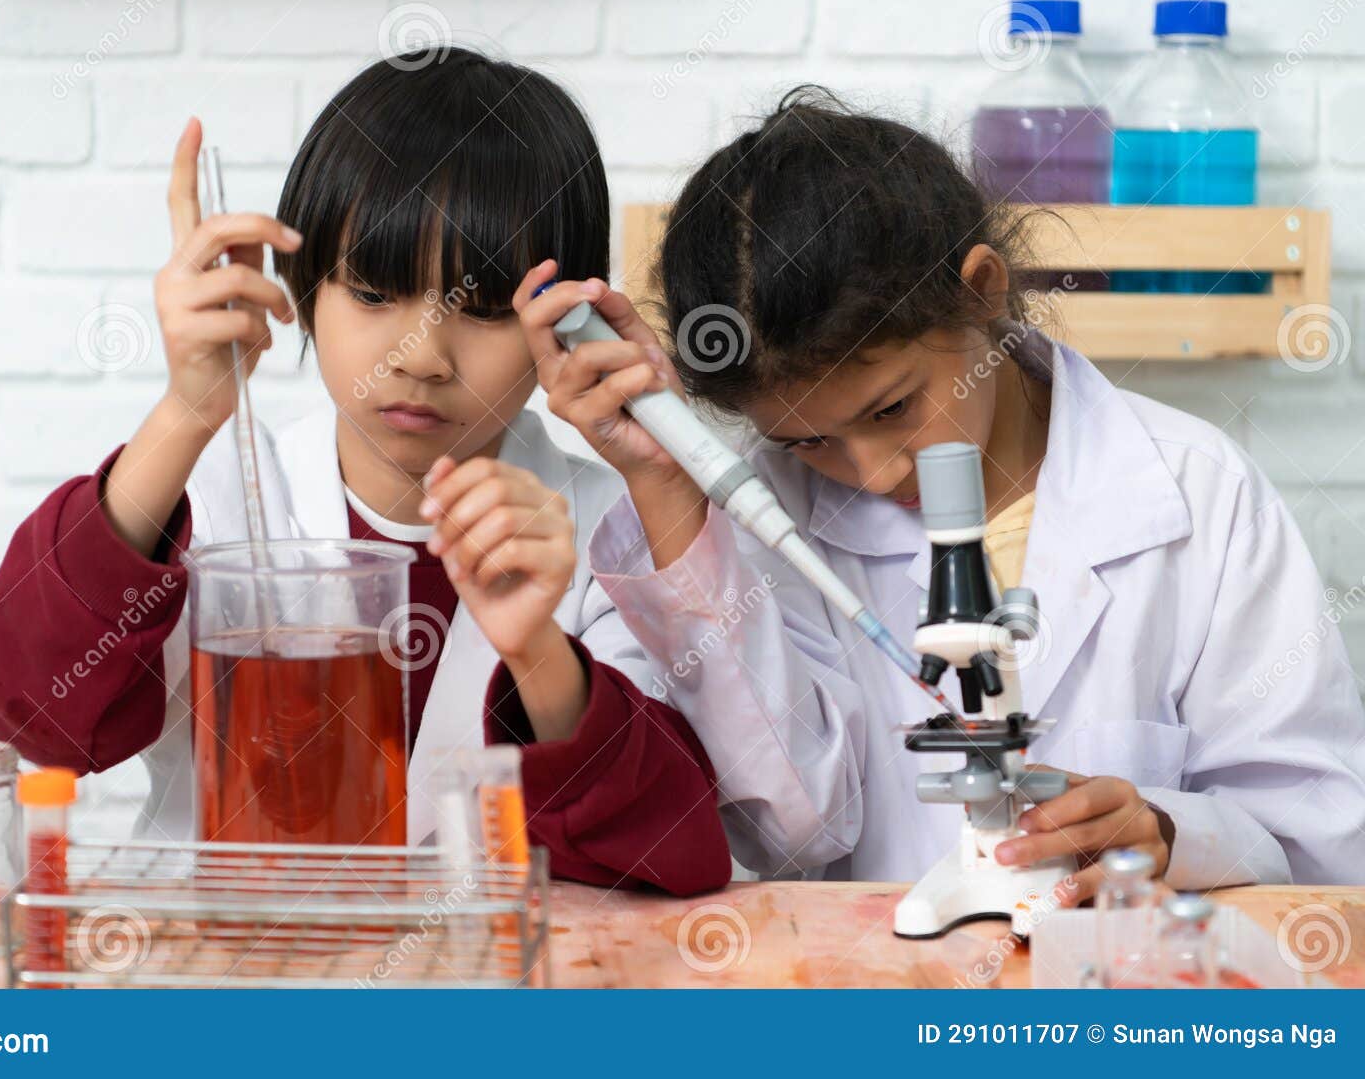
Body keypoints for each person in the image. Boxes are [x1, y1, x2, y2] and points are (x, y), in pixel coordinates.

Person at [522, 86, 1365, 899]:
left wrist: (1170, 834)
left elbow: (1320, 839)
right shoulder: (770, 513)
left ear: (983, 291)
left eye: (893, 407)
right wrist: (667, 482)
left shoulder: (1200, 498)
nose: (878, 471)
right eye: (807, 440)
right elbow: (792, 829)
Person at [0, 49, 731, 896]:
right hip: (229, 984)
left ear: (566, 320)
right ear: (302, 287)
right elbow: (38, 717)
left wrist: (541, 651)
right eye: (373, 291)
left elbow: (678, 852)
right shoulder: (213, 502)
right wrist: (186, 412)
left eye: (478, 310)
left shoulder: (600, 533)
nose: (421, 356)